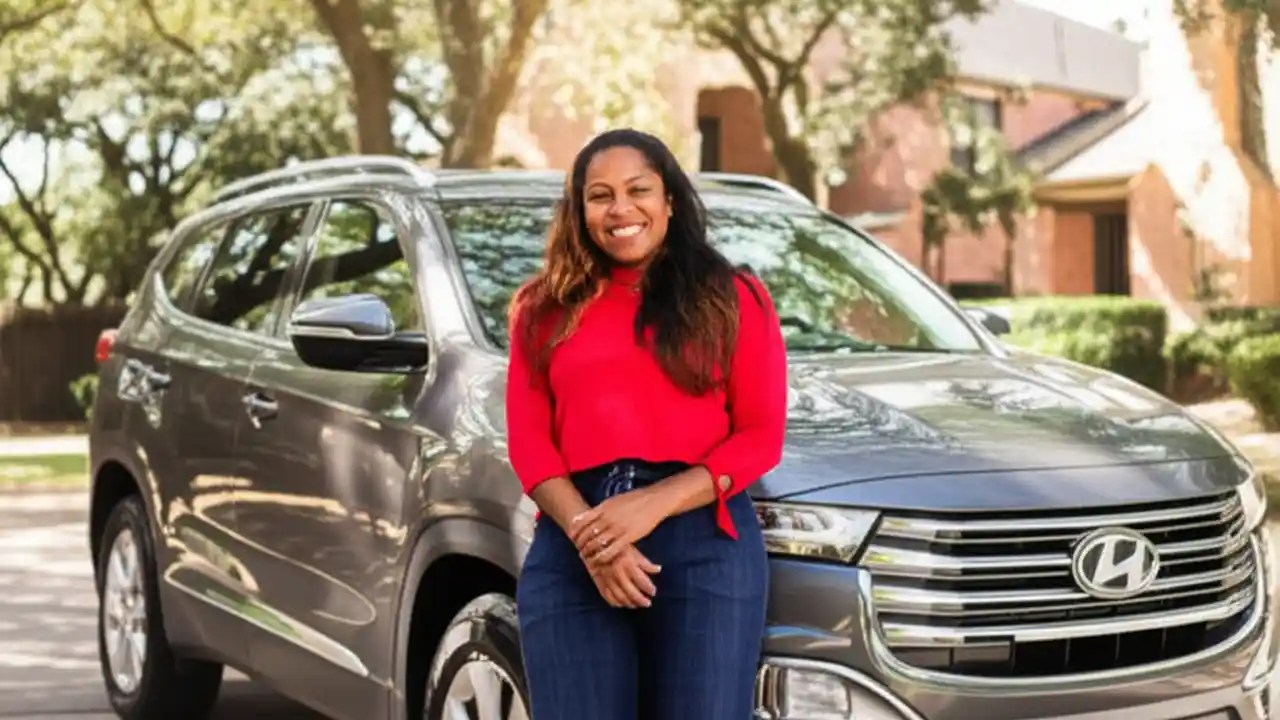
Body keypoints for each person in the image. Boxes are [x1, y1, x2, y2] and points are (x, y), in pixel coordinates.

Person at [505, 127, 788, 719]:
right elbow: (531, 446)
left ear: (670, 201)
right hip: (575, 540)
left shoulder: (732, 297)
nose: (621, 209)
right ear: (579, 211)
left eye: (639, 190)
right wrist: (596, 539)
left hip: (705, 541)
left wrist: (651, 504)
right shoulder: (541, 309)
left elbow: (760, 437)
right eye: (600, 195)